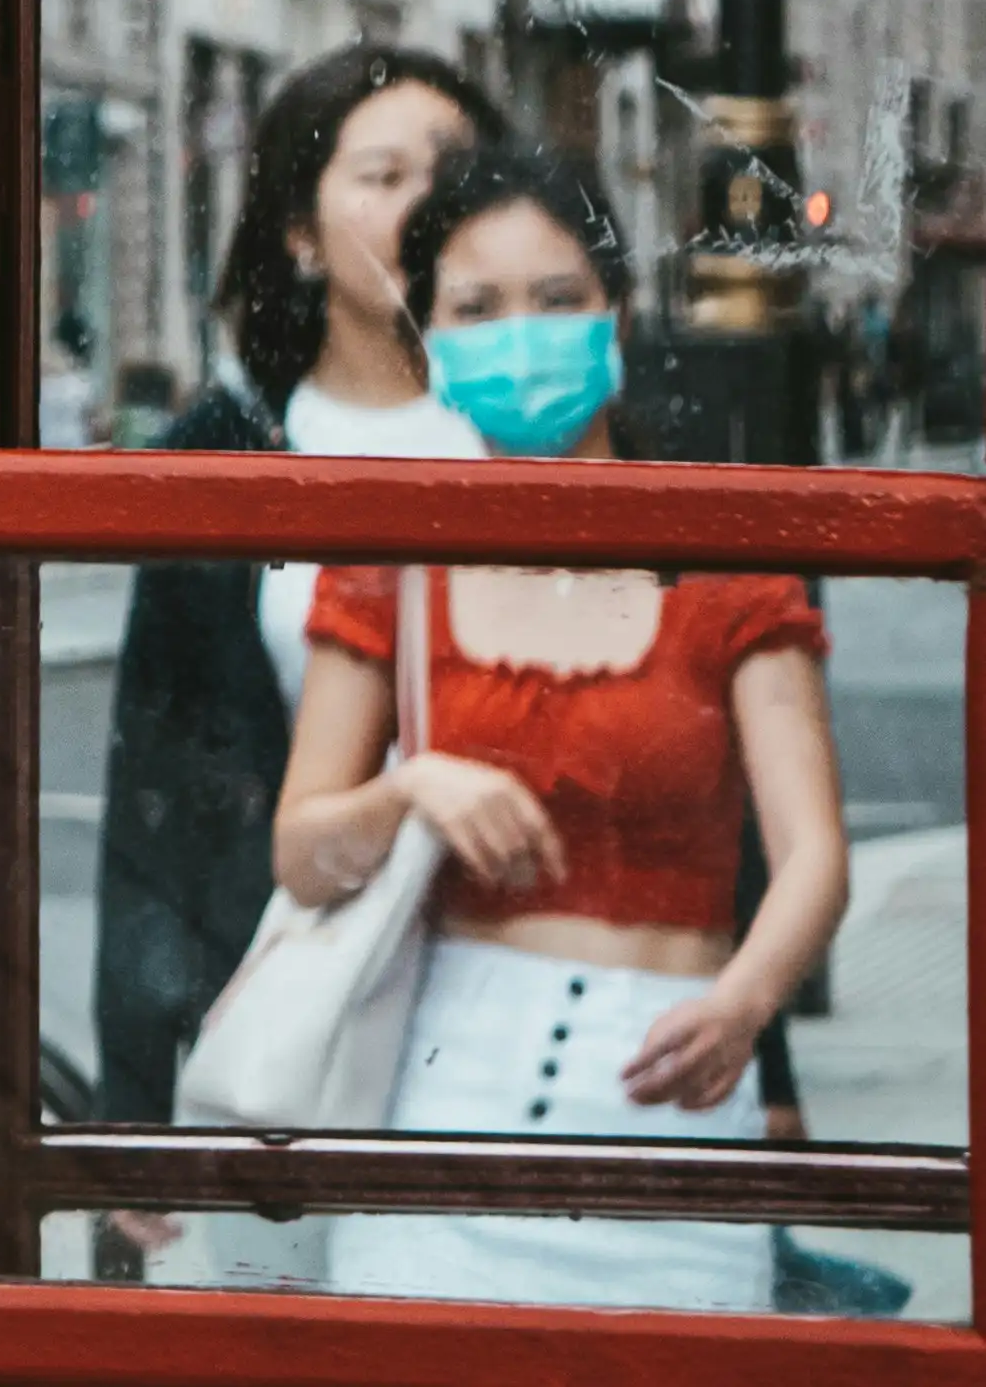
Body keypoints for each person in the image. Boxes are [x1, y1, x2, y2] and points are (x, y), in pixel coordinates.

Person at [276, 136, 848, 1313]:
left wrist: (745, 1002)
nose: (519, 332)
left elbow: (814, 854)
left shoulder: (724, 562)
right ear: (430, 345)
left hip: (675, 1093)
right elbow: (300, 843)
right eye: (476, 306)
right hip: (444, 1093)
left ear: (615, 318)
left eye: (556, 299)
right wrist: (411, 786)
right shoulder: (393, 563)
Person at [92, 42, 493, 1128]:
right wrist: (132, 1087)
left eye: (453, 169)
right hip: (293, 1012)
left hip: (509, 1003)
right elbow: (158, 777)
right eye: (382, 174)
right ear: (301, 234)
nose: (427, 203)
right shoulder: (227, 448)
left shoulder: (546, 429)